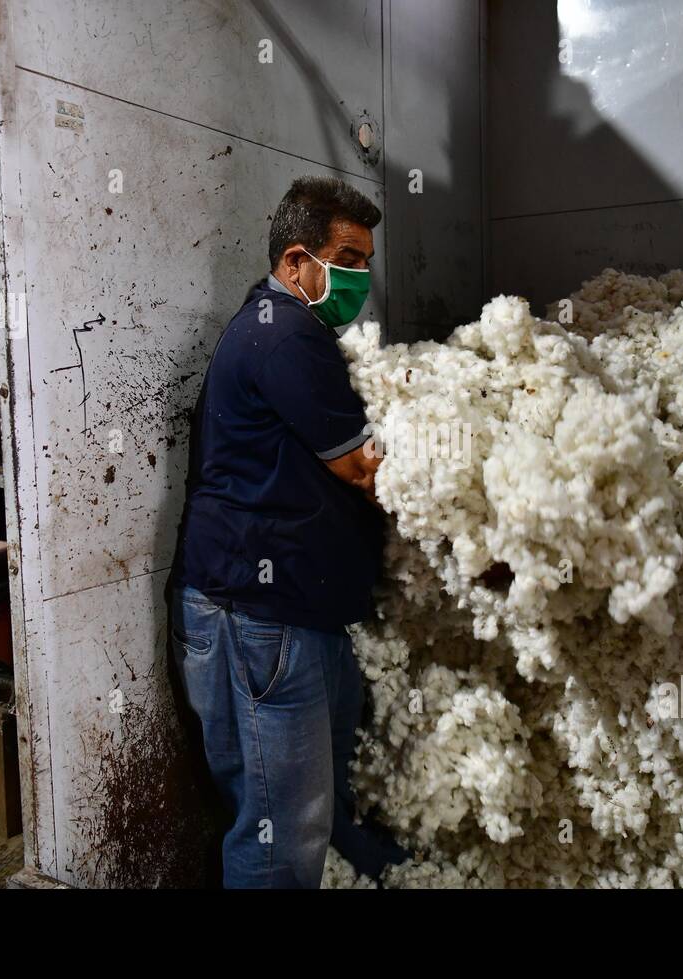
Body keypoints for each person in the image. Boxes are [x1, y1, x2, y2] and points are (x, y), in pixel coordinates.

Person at [171, 176, 406, 888]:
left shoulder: (284, 327)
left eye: (367, 261)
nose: (360, 277)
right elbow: (364, 467)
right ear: (297, 261)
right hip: (262, 616)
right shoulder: (285, 335)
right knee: (281, 826)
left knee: (315, 791)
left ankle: (360, 865)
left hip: (295, 608)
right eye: (347, 258)